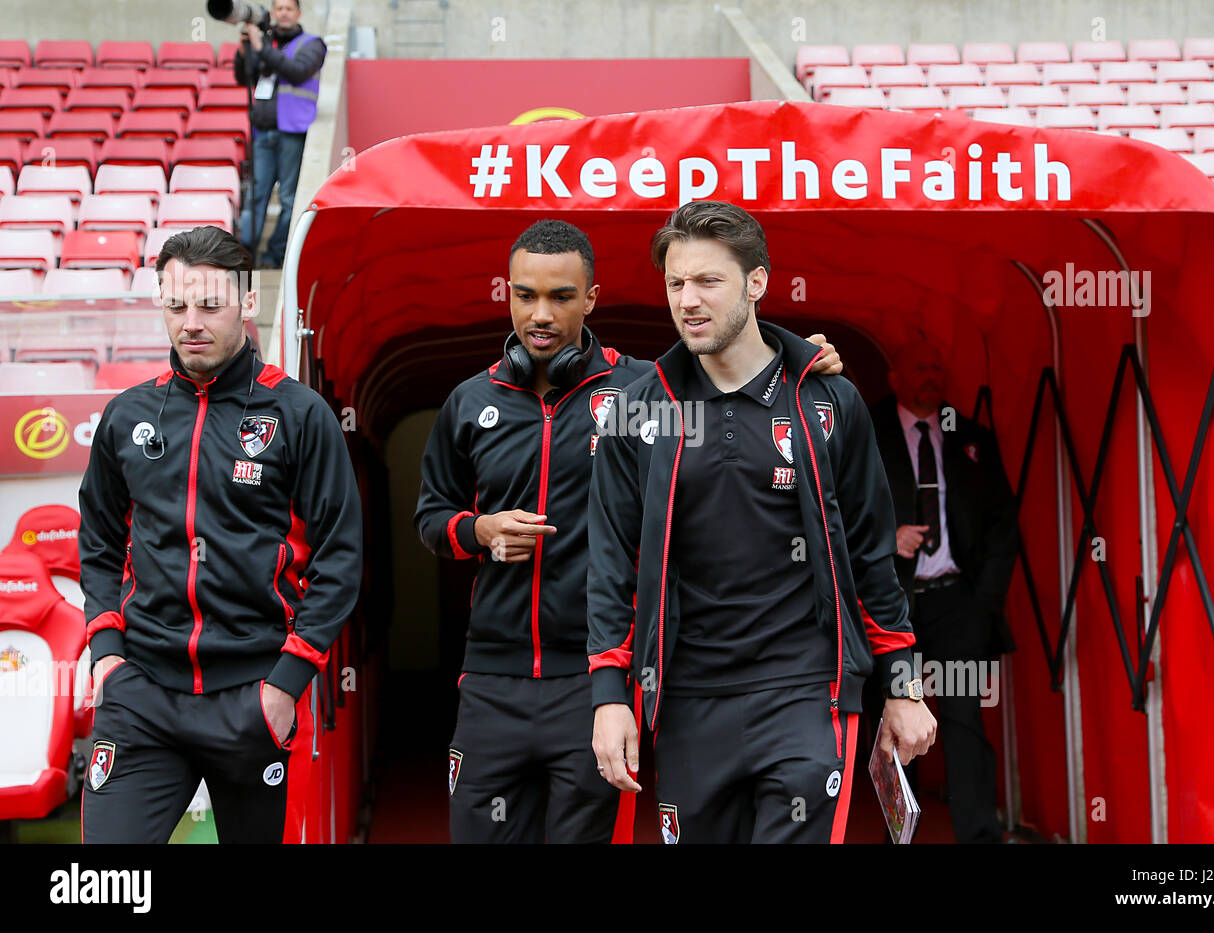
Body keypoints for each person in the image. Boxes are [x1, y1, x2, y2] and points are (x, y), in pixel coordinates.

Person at [414, 219, 844, 843]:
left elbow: (740, 394)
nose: (539, 314)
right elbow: (430, 519)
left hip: (598, 680)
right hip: (491, 678)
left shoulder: (645, 392)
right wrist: (477, 530)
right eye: (524, 295)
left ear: (591, 299)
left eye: (561, 296)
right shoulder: (467, 401)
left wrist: (804, 362)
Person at [587, 201, 936, 844]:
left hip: (805, 691)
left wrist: (903, 685)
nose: (688, 300)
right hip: (687, 695)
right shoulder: (636, 412)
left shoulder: (828, 397)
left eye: (708, 281)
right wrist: (610, 696)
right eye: (675, 283)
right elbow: (612, 560)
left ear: (757, 282)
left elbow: (869, 554)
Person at [78, 225, 362, 843]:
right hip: (140, 694)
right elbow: (98, 542)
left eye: (209, 305)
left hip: (253, 696)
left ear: (247, 303)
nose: (191, 324)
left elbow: (340, 560)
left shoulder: (299, 415)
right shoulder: (128, 415)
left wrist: (286, 683)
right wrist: (105, 651)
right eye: (176, 306)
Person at [868, 338, 1018, 844]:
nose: (931, 375)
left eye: (937, 366)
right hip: (894, 606)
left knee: (963, 721)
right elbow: (834, 509)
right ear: (895, 379)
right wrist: (886, 539)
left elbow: (1003, 524)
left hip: (959, 604)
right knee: (899, 724)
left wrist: (984, 603)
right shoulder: (865, 431)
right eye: (919, 367)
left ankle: (979, 835)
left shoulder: (968, 435)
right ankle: (902, 835)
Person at [233, 0, 326, 267]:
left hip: (292, 131)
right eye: (279, 8)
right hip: (264, 131)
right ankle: (244, 254)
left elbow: (297, 72)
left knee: (288, 196)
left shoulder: (313, 44)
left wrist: (261, 47)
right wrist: (245, 50)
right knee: (257, 193)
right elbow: (244, 76)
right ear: (272, 13)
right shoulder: (265, 41)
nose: (283, 13)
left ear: (298, 13)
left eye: (288, 8)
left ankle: (276, 254)